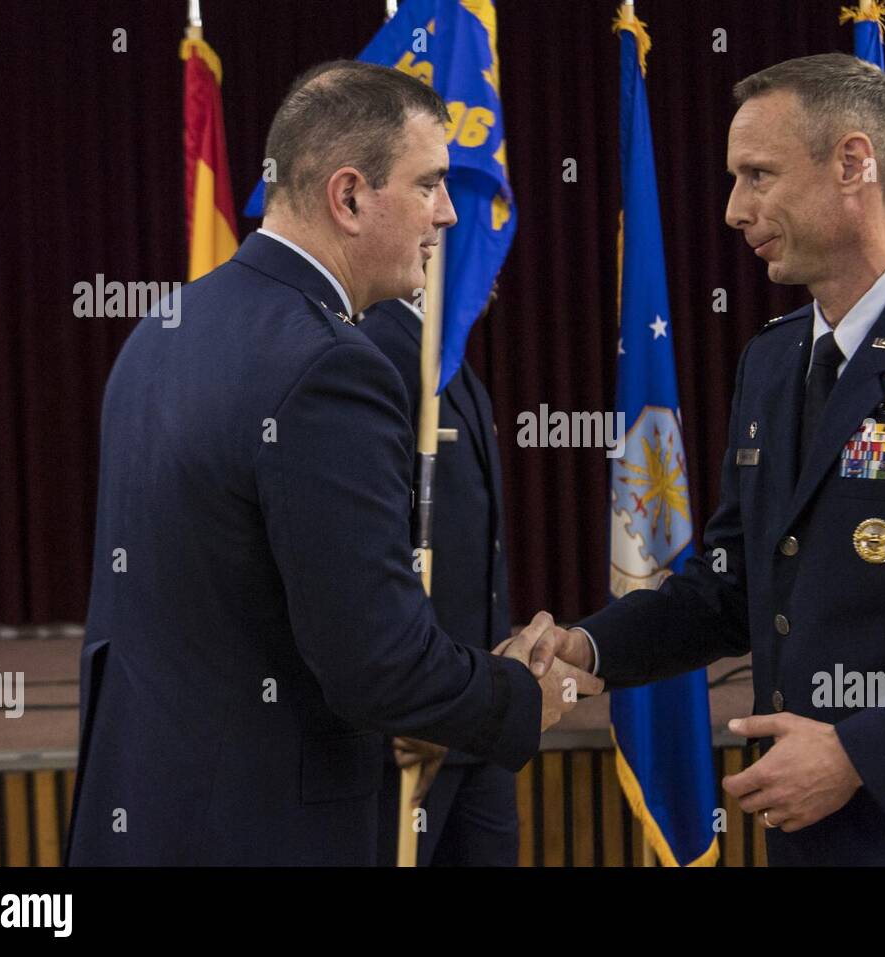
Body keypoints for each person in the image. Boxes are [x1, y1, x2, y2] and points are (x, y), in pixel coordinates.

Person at [509, 54, 885, 866]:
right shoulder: (771, 362)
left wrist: (860, 752)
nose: (734, 210)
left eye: (757, 175)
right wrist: (591, 648)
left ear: (852, 163)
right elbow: (731, 583)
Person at [65, 60, 599, 866]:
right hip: (267, 831)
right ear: (348, 197)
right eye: (430, 184)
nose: (450, 215)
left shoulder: (161, 328)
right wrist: (527, 693)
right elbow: (377, 667)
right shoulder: (330, 367)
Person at [360, 291, 518, 866]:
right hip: (414, 734)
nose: (495, 269)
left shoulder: (443, 352)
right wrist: (415, 704)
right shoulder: (380, 346)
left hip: (479, 716)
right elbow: (370, 556)